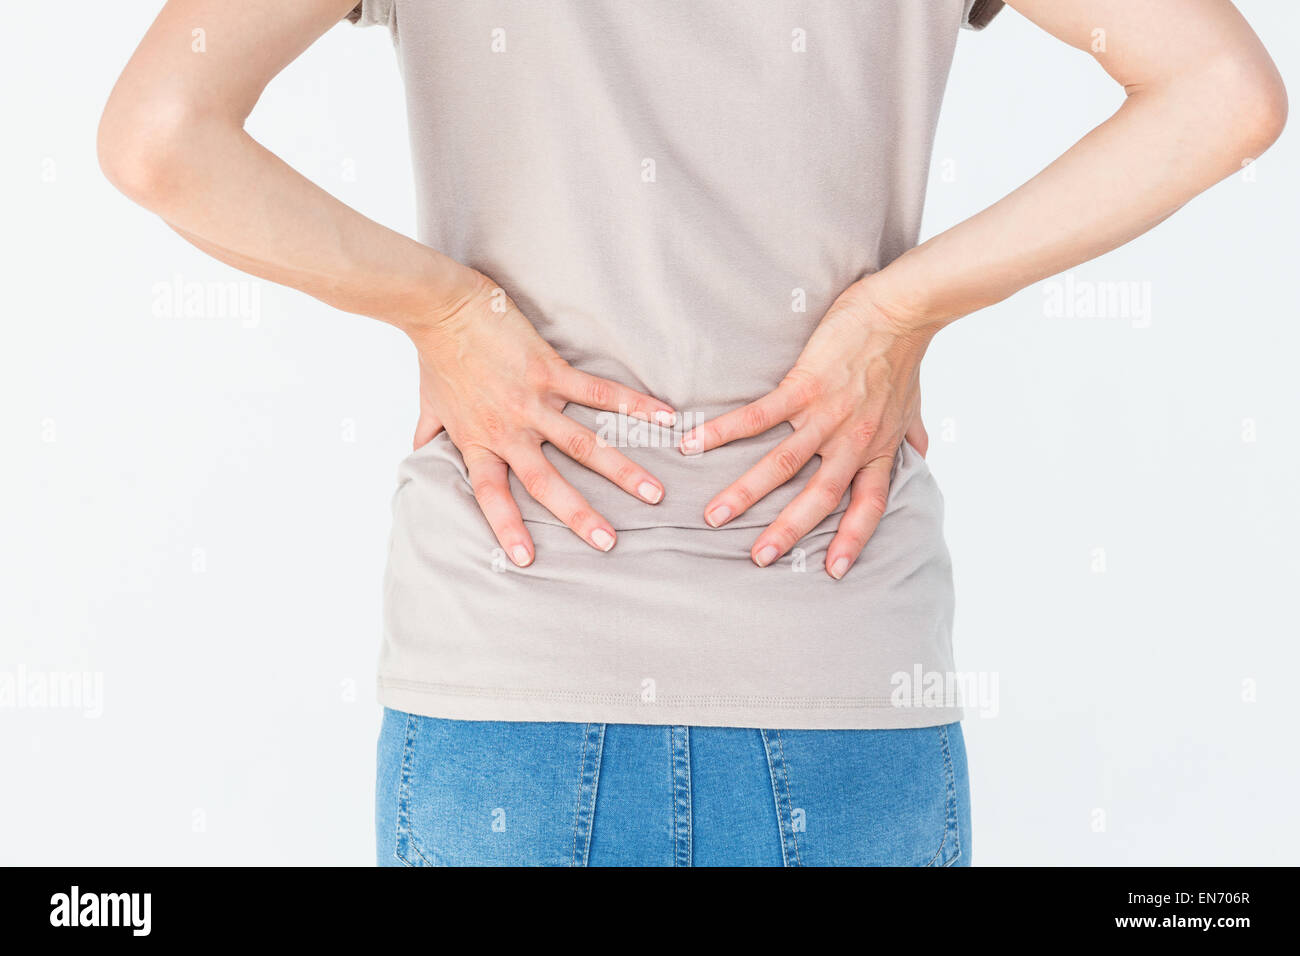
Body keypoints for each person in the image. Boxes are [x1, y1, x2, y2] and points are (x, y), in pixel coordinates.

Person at [99, 0, 1286, 866]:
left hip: (509, 662)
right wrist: (899, 308)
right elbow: (1224, 94)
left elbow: (160, 134)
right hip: (836, 649)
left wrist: (446, 308)